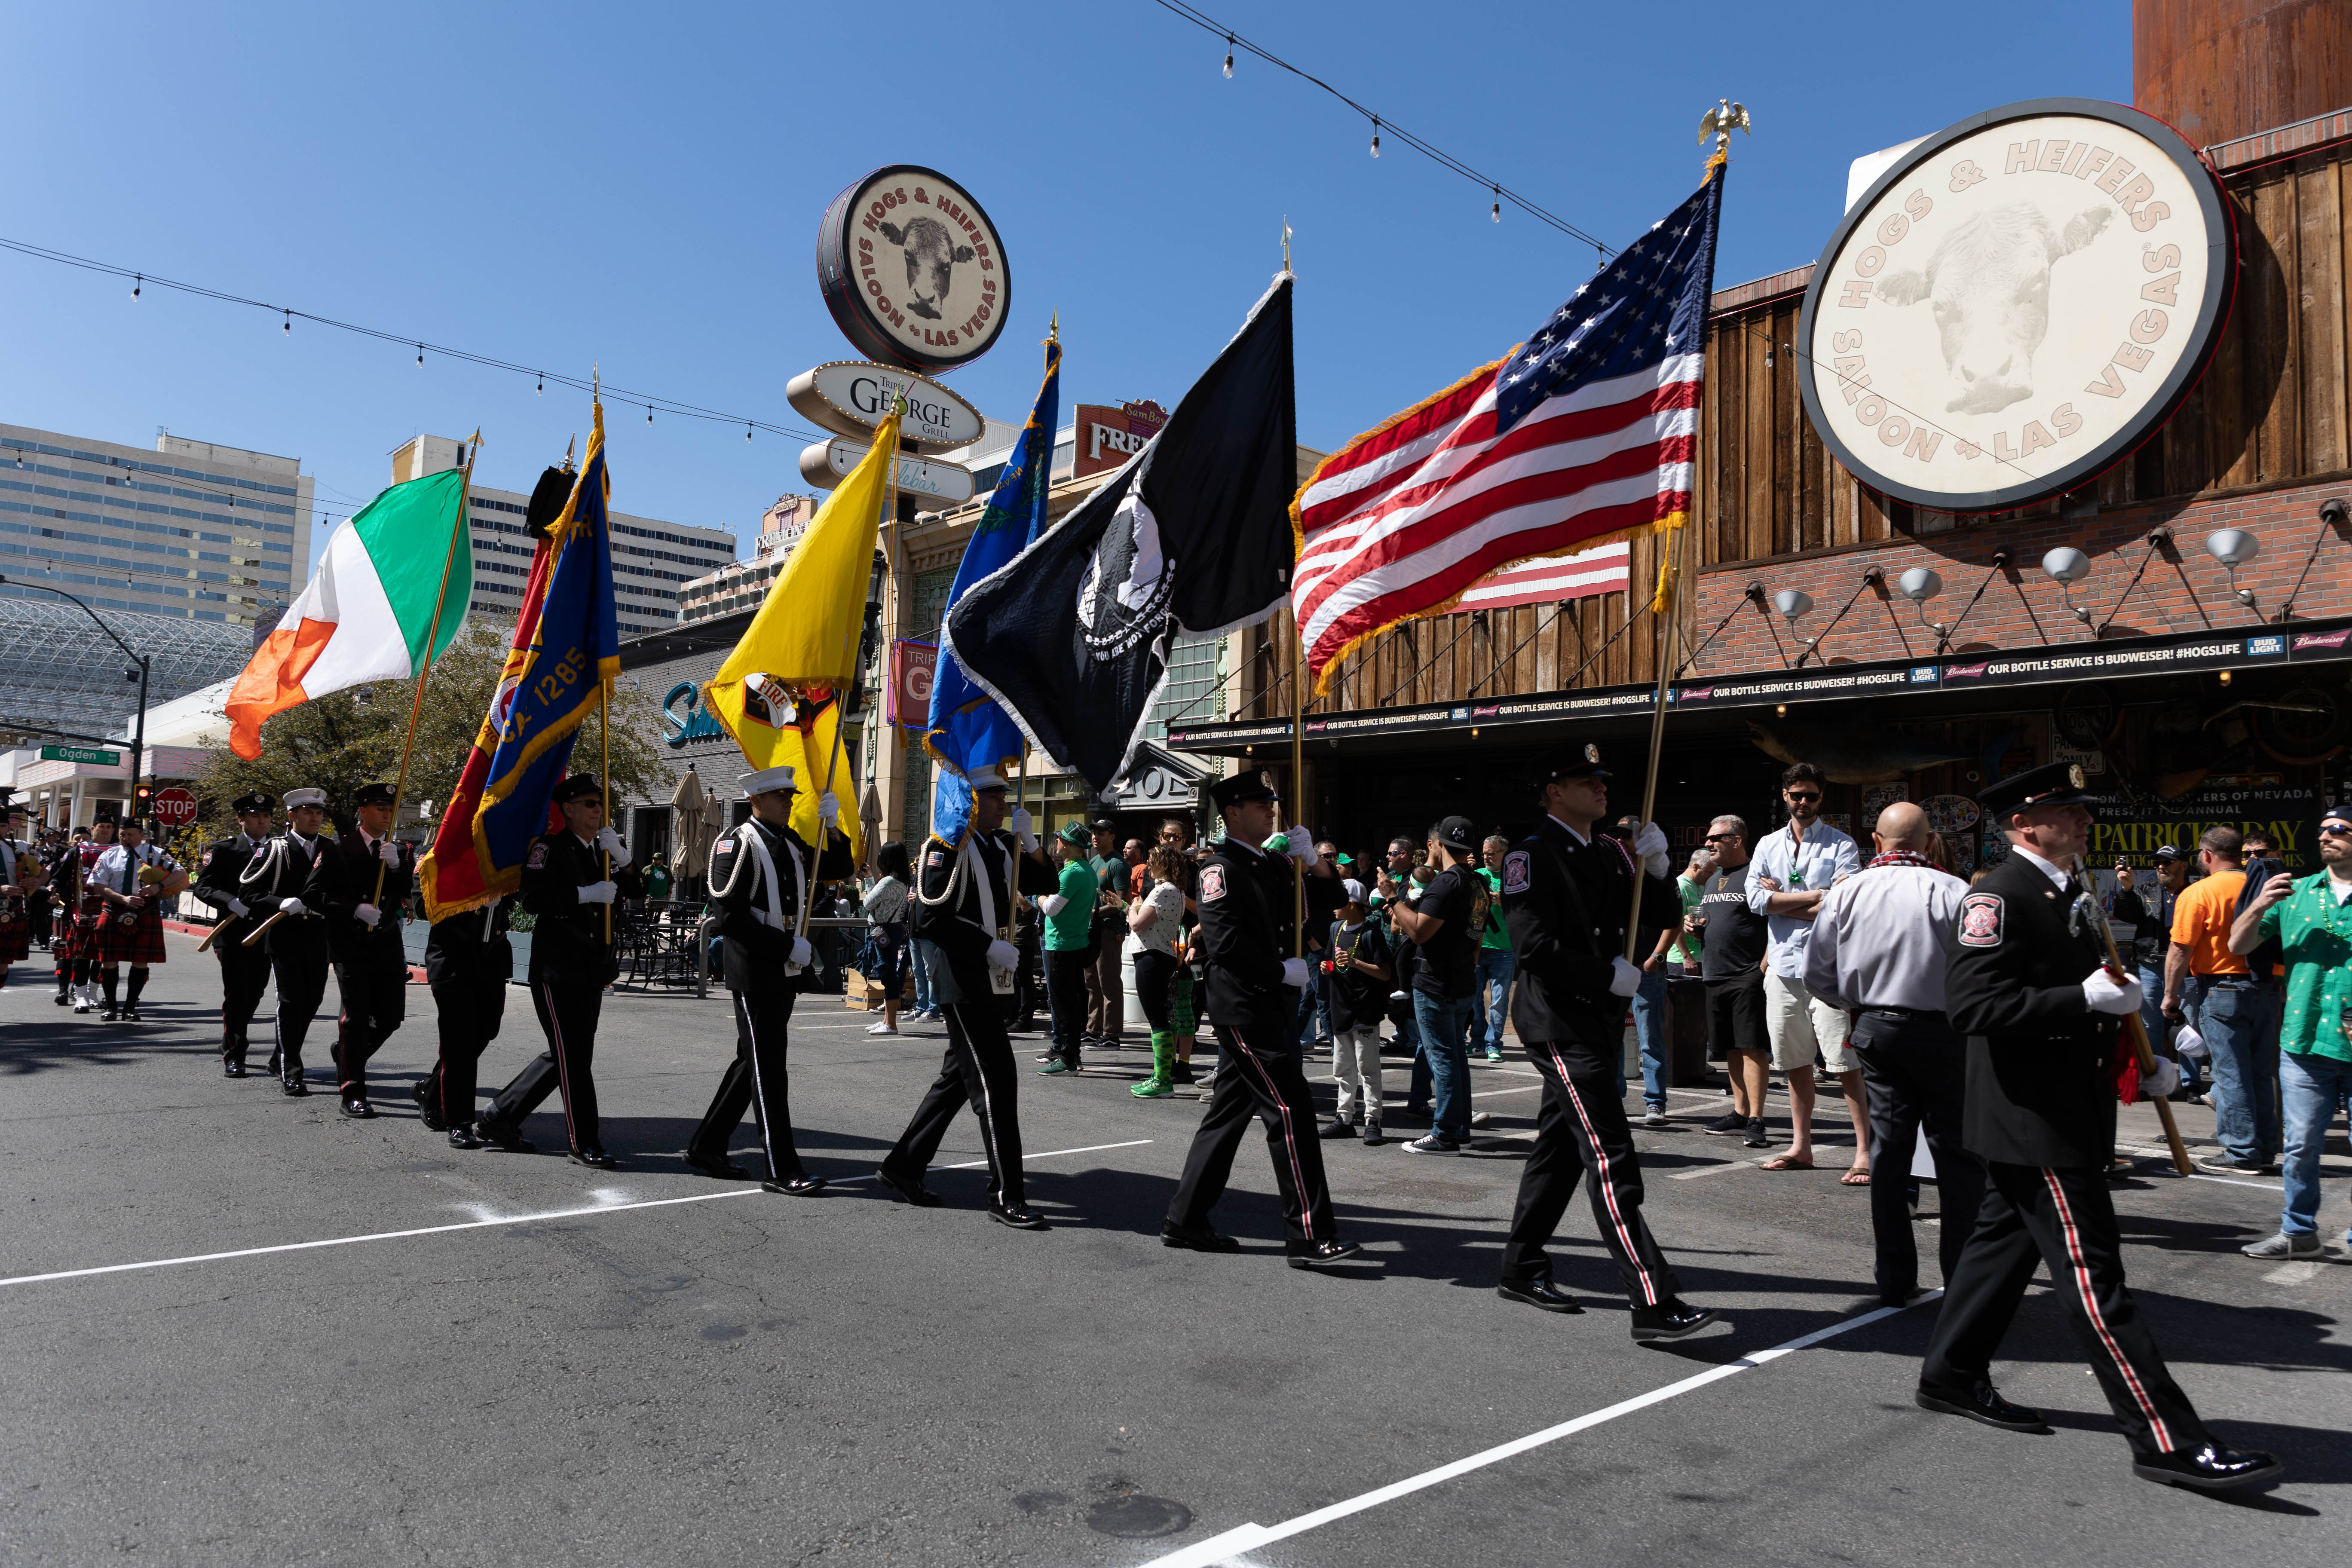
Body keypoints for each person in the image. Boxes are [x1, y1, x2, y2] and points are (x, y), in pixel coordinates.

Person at [1918, 761, 2279, 1492]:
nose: (2085, 821)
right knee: (2094, 1277)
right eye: (2069, 811)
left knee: (1998, 1252)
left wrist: (2140, 1060)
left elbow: (2091, 999)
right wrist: (2079, 1000)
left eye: (2083, 810)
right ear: (2024, 824)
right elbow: (1974, 1008)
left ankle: (1950, 1374)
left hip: (2061, 1108)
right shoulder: (1997, 895)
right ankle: (2166, 1439)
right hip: (2035, 1118)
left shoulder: (2065, 889)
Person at [1494, 745, 1718, 1339]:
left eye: (1601, 780)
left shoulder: (1611, 853)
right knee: (1609, 1152)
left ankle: (1520, 1266)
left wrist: (1661, 869)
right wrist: (1604, 976)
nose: (1600, 788)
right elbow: (1533, 947)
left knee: (1559, 1150)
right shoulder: (1529, 856)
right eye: (1584, 780)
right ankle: (1652, 1299)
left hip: (1596, 1018)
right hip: (1559, 1021)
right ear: (1554, 792)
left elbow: (1657, 916)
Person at [1162, 769, 1357, 1268]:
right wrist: (1280, 970)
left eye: (1271, 804)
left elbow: (1336, 903)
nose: (1271, 811)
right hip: (1246, 1005)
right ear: (1232, 813)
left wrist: (1315, 863)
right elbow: (1225, 944)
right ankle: (1309, 1235)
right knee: (1291, 1112)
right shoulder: (1220, 869)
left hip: (1269, 1003)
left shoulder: (1272, 862)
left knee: (1227, 1115)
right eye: (1259, 805)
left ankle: (1185, 1219)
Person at [1802, 801, 1982, 1306]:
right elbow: (1979, 972)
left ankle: (1895, 1278)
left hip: (1878, 1029)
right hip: (1944, 1031)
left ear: (1877, 842)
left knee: (1890, 1151)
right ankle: (1964, 1280)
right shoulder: (1955, 891)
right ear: (1929, 842)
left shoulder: (1847, 892)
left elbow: (1817, 972)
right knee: (1957, 1154)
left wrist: (1853, 1003)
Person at [877, 768, 1057, 1228]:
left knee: (955, 1081)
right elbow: (928, 921)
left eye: (1002, 796)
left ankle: (903, 1166)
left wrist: (1032, 843)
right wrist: (986, 946)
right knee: (997, 1084)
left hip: (993, 981)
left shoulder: (1002, 846)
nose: (1003, 804)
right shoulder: (946, 847)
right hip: (963, 980)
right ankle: (1006, 1195)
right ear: (971, 801)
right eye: (994, 797)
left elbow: (1048, 884)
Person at [684, 765, 854, 1193]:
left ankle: (706, 1145)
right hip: (756, 969)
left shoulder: (789, 841)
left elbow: (837, 866)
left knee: (753, 1062)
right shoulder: (735, 843)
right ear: (756, 800)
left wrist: (834, 828)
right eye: (780, 797)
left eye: (790, 797)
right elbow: (729, 916)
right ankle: (781, 1168)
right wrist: (783, 946)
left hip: (785, 967)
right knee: (769, 1069)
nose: (788, 803)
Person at [477, 774, 647, 1167]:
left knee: (570, 1053)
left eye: (600, 803)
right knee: (574, 1058)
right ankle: (584, 1142)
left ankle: (500, 1115)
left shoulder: (604, 850)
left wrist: (622, 858)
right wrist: (584, 895)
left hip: (592, 968)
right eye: (589, 804)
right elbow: (532, 899)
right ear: (568, 810)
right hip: (558, 969)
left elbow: (639, 891)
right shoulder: (549, 848)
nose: (598, 810)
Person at [2227, 806, 2352, 1259]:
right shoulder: (2294, 892)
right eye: (2322, 830)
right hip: (2304, 1042)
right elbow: (2238, 944)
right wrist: (2261, 903)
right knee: (2299, 1145)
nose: (2326, 836)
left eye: (2338, 829)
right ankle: (2299, 1233)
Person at [1746, 762, 1868, 1181]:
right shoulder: (1767, 845)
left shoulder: (1841, 844)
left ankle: (1865, 1152)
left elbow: (1844, 903)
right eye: (1797, 795)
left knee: (1845, 1063)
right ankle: (1802, 1147)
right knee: (1794, 1061)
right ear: (1785, 795)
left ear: (1821, 798)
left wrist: (1783, 900)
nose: (1803, 802)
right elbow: (1755, 902)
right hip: (1782, 969)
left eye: (1811, 796)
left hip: (1830, 971)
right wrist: (1816, 896)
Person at [2162, 826, 2278, 1176]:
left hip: (2223, 989)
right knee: (2260, 1073)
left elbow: (2180, 950)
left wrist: (2170, 995)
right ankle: (2264, 1149)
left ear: (2208, 855)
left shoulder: (2199, 893)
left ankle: (2241, 1151)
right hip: (2266, 988)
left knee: (2231, 1074)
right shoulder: (2262, 886)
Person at [304, 781, 415, 1117]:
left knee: (390, 1018)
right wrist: (354, 908)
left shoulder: (400, 851)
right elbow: (313, 894)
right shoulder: (338, 849)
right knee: (355, 1018)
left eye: (391, 809)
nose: (387, 815)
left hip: (387, 943)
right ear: (363, 811)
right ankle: (353, 1092)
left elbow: (406, 892)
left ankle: (346, 1054)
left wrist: (396, 867)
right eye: (381, 809)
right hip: (350, 943)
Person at [1391, 815, 1487, 1155]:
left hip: (1436, 981)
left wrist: (1392, 899)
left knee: (1443, 1058)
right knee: (1456, 1057)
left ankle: (1445, 1133)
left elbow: (1419, 931)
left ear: (1439, 844)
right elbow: (1477, 940)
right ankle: (1459, 1129)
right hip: (1462, 979)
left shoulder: (1447, 882)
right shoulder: (1477, 882)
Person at [238, 788, 334, 1091]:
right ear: (292, 816)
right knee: (291, 1002)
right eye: (308, 813)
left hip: (319, 934)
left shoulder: (331, 848)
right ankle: (291, 1069)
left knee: (313, 1000)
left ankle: (280, 1054)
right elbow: (248, 891)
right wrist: (279, 902)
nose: (315, 818)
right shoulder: (276, 849)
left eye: (318, 813)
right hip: (286, 935)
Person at [1695, 818, 1773, 1149]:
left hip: (1746, 974)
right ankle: (1740, 1113)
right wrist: (1696, 929)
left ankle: (1756, 1119)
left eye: (1716, 838)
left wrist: (1762, 969)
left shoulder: (1757, 874)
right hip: (1715, 974)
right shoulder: (1714, 879)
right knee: (1730, 1049)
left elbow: (1775, 921)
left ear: (1737, 840)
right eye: (1708, 838)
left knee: (1752, 1047)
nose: (1708, 843)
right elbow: (1716, 924)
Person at [191, 792, 279, 1076]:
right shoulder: (225, 850)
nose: (262, 821)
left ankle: (231, 1037)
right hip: (233, 932)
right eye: (255, 816)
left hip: (267, 931)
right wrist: (229, 901)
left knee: (255, 991)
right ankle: (235, 1053)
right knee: (237, 993)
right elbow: (203, 886)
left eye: (266, 816)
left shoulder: (280, 849)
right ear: (242, 820)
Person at [414, 896, 513, 1146]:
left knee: (487, 1029)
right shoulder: (431, 866)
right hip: (453, 956)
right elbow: (423, 906)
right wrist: (473, 900)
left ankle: (431, 1089)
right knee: (458, 1042)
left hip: (492, 956)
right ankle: (459, 1121)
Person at [87, 818, 187, 1022]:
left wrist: (158, 887)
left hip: (145, 910)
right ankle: (111, 1007)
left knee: (140, 962)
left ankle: (130, 1008)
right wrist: (123, 899)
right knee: (108, 961)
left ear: (142, 835)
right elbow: (98, 886)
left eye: (131, 834)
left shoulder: (157, 853)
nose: (126, 838)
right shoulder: (109, 855)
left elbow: (181, 873)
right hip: (114, 909)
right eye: (123, 835)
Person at [2113, 846, 2193, 1094]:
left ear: (2183, 865)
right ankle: (2153, 1079)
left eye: (2167, 863)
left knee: (2190, 1026)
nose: (2161, 867)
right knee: (2149, 1025)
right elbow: (2126, 915)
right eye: (2157, 863)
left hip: (2186, 965)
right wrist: (2127, 890)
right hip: (2151, 964)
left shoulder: (2195, 892)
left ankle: (2191, 1084)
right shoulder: (2146, 891)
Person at [1319, 878, 1392, 1144]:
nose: (1332, 908)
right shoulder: (1335, 928)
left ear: (1351, 904)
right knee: (1342, 1068)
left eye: (1337, 903)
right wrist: (1327, 967)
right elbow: (1331, 960)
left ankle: (1373, 1121)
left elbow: (1385, 974)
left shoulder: (1372, 933)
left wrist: (1355, 962)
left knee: (1368, 1068)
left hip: (1365, 1009)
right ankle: (1345, 1119)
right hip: (1340, 1006)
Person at [1127, 842, 1193, 1099]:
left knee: (1157, 1020)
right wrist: (1129, 907)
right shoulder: (1174, 890)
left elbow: (1138, 924)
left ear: (1163, 864)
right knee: (1160, 1018)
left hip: (1152, 955)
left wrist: (1132, 908)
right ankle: (1161, 1077)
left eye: (1153, 861)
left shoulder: (1164, 889)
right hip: (1158, 955)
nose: (1149, 866)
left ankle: (1162, 1080)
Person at [1036, 822, 1099, 1075]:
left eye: (1060, 838)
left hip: (1063, 944)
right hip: (1073, 943)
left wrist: (1037, 896)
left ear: (1071, 845)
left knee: (1063, 1005)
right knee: (1071, 1002)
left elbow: (1051, 908)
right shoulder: (1085, 869)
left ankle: (1067, 1057)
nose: (1057, 842)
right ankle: (1070, 1053)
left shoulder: (1072, 872)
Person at [1083, 820, 1127, 1049]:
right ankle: (1094, 1029)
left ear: (1112, 836)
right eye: (1094, 833)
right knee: (1092, 981)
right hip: (1093, 929)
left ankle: (1111, 1033)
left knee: (1109, 982)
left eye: (1101, 833)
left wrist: (1093, 914)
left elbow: (1121, 902)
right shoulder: (1094, 861)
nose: (1096, 837)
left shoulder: (1117, 864)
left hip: (1110, 930)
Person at [1476, 833, 1516, 1064]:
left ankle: (1493, 1044)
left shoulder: (1515, 878)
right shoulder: (1478, 875)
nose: (1487, 857)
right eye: (1484, 853)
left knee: (1498, 1001)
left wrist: (1507, 903)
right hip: (1477, 947)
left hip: (1503, 948)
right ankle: (1477, 1040)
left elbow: (1529, 910)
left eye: (1491, 853)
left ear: (1504, 854)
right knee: (1473, 998)